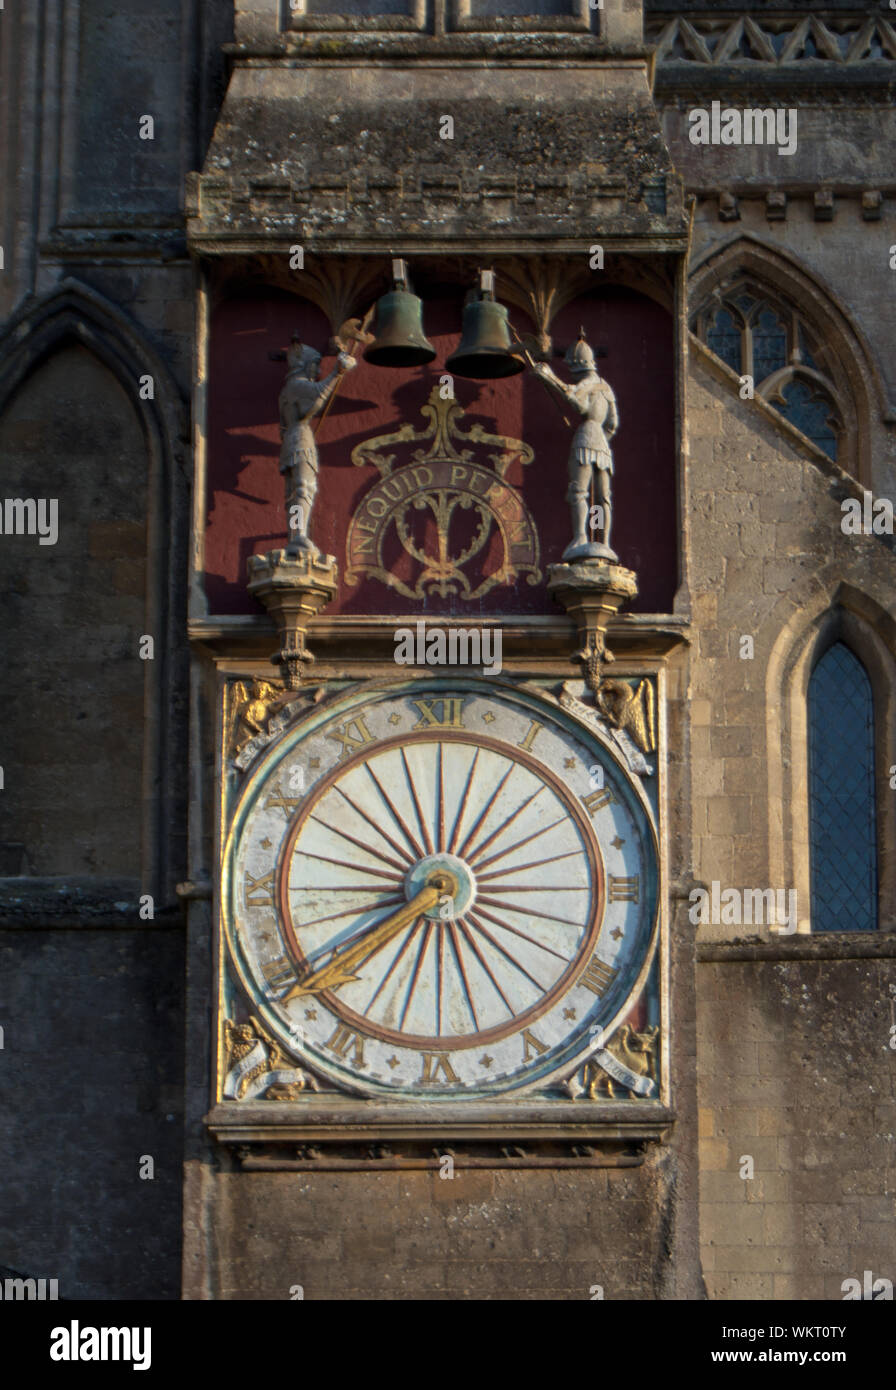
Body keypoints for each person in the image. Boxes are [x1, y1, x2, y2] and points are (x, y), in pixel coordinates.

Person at [532, 331, 619, 561]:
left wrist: (550, 378)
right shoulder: (606, 388)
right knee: (602, 497)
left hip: (585, 439)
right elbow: (613, 424)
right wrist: (601, 438)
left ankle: (581, 536)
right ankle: (602, 540)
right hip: (602, 444)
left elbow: (579, 405)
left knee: (579, 492)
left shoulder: (587, 384)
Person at [278, 337, 356, 555]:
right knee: (304, 488)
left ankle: (297, 534)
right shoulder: (297, 386)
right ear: (306, 365)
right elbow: (316, 399)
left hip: (293, 439)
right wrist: (337, 372)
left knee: (297, 490)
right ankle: (298, 535)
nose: (319, 369)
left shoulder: (288, 390)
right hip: (301, 437)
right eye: (316, 365)